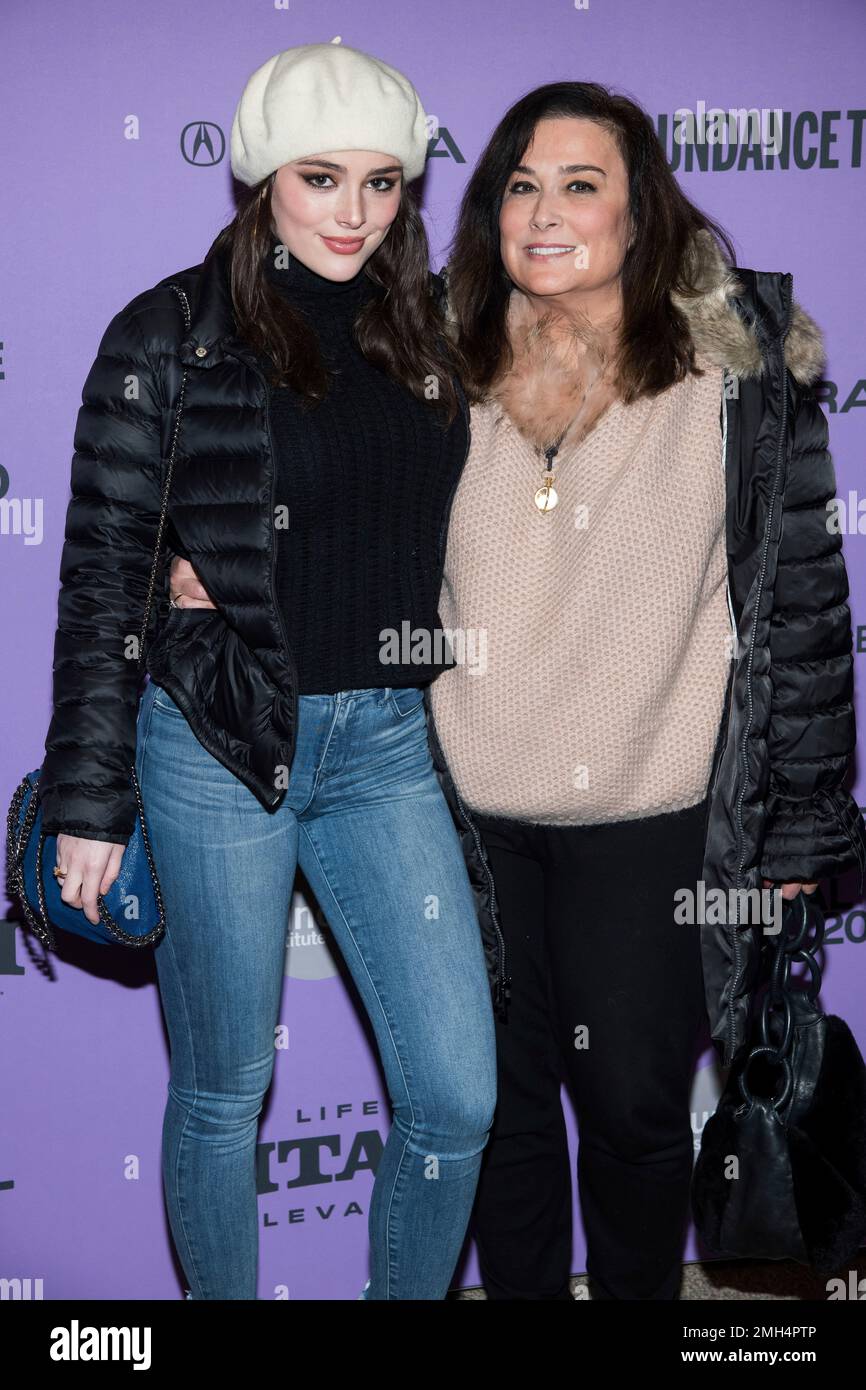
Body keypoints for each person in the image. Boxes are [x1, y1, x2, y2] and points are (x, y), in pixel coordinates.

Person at [170, 79, 866, 1300]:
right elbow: (326, 512)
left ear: (640, 214)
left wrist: (800, 823)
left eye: (579, 185)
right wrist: (210, 568)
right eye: (516, 187)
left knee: (634, 1121)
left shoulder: (733, 381)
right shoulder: (429, 365)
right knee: (497, 1124)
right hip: (461, 821)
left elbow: (800, 612)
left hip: (657, 827)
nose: (542, 213)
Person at [37, 42, 497, 1301]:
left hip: (387, 744)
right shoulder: (168, 333)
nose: (352, 212)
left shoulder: (436, 327)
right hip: (219, 744)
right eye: (318, 176)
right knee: (227, 1087)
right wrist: (89, 799)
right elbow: (103, 576)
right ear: (258, 180)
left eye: (384, 182)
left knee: (457, 1095)